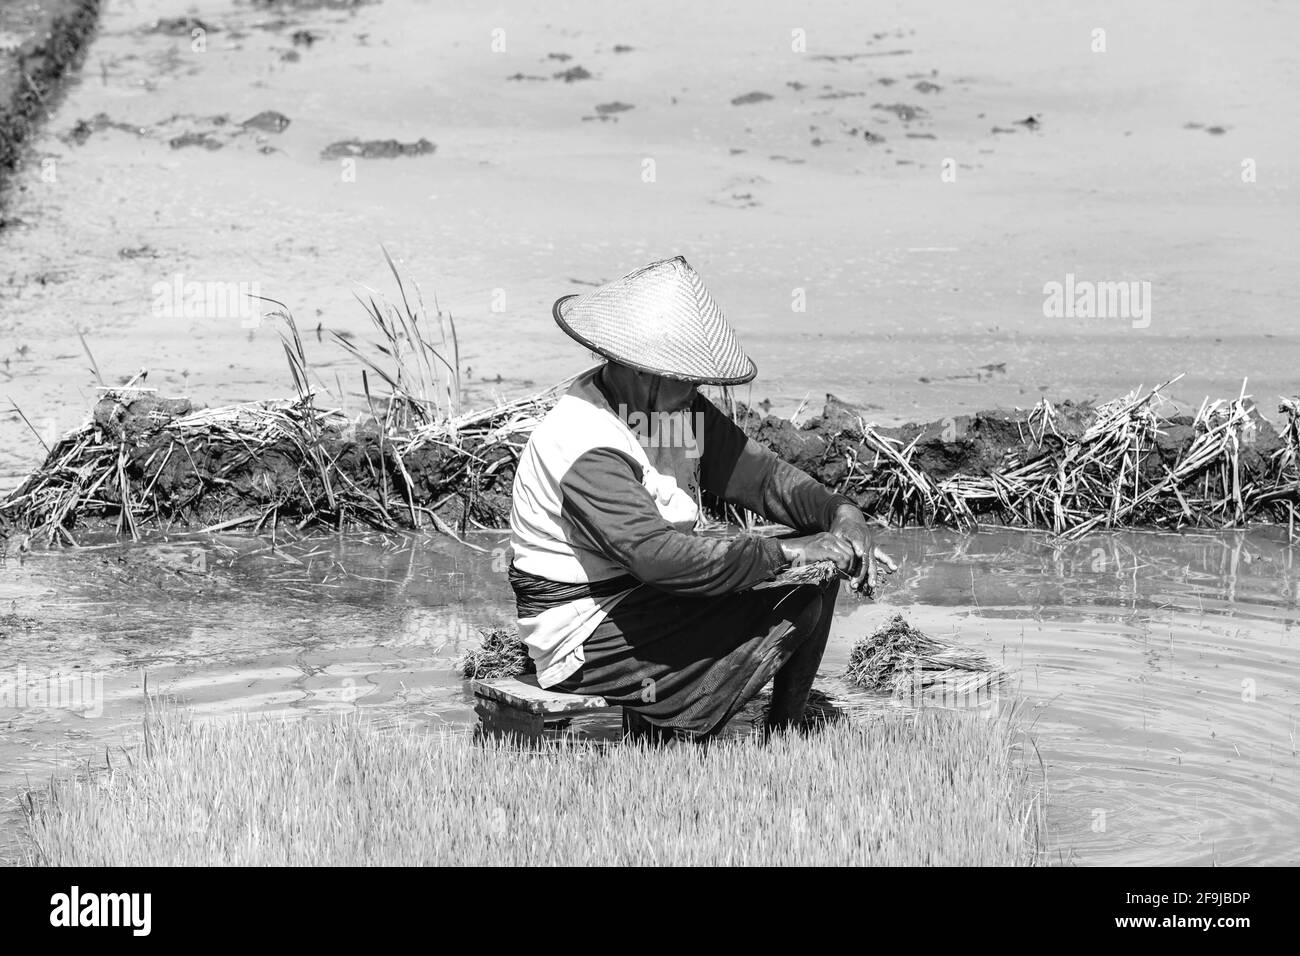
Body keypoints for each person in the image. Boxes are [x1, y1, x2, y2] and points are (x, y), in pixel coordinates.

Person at [507, 256, 895, 740]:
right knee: (797, 601)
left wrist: (841, 515)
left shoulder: (674, 409)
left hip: (647, 598)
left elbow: (765, 479)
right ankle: (681, 730)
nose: (696, 389)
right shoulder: (584, 441)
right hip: (586, 631)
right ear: (640, 369)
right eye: (685, 377)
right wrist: (786, 551)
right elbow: (659, 558)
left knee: (820, 568)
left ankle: (785, 735)